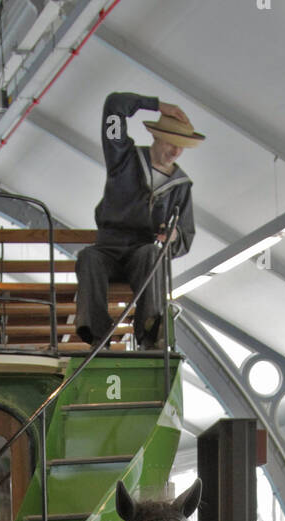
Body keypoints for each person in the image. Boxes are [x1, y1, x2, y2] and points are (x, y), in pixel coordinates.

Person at [76, 92, 203, 350]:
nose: (175, 151)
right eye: (170, 142)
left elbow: (185, 235)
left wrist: (173, 237)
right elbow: (113, 104)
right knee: (88, 258)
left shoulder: (181, 186)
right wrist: (155, 105)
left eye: (181, 146)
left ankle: (151, 335)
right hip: (108, 248)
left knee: (150, 255)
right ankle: (98, 338)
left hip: (141, 254)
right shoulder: (123, 158)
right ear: (156, 135)